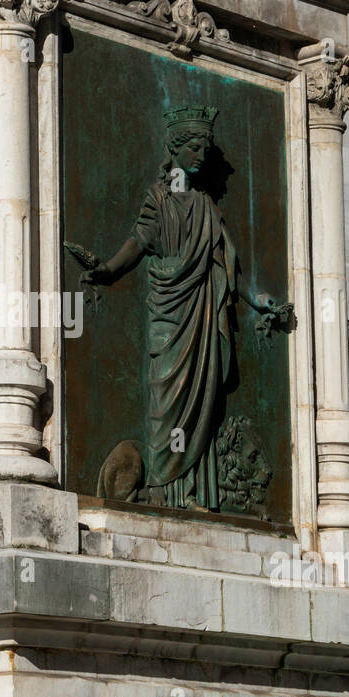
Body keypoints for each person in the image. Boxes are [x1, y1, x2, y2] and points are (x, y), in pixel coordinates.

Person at [83, 105, 287, 510]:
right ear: (175, 148)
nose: (200, 155)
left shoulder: (209, 208)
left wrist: (257, 299)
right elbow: (138, 245)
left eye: (205, 148)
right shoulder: (158, 201)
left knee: (201, 409)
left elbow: (230, 268)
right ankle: (161, 489)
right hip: (171, 318)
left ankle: (190, 493)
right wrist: (106, 269)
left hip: (202, 317)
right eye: (194, 147)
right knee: (168, 405)